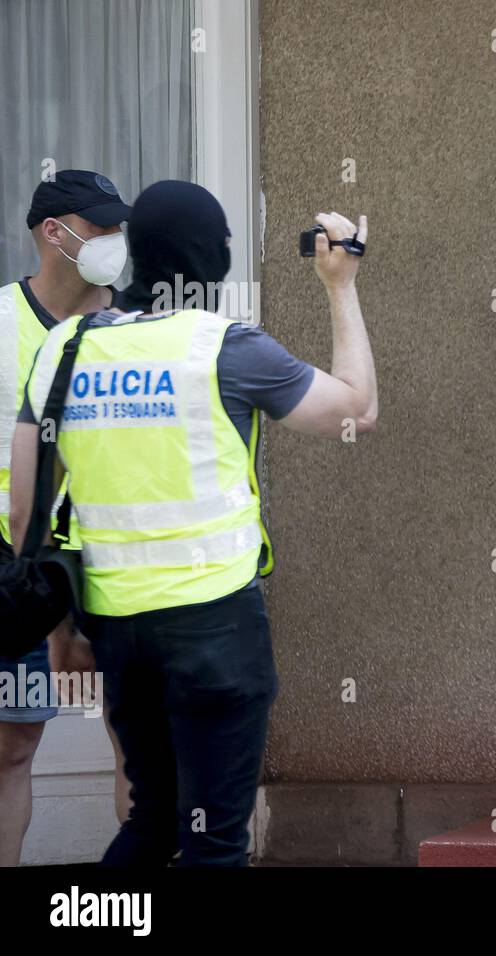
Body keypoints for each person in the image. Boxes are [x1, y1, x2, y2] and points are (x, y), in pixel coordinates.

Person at [8, 181, 378, 866]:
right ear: (212, 264)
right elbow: (357, 408)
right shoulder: (226, 348)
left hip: (117, 631)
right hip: (215, 635)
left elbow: (25, 514)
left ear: (132, 257)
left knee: (151, 821)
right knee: (212, 842)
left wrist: (61, 634)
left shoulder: (63, 349)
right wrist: (342, 284)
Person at [0, 170, 130, 866]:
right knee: (11, 747)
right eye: (101, 226)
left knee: (136, 741)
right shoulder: (1, 326)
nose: (115, 241)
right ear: (54, 232)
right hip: (17, 565)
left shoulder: (133, 324)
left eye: (118, 227)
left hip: (116, 564)